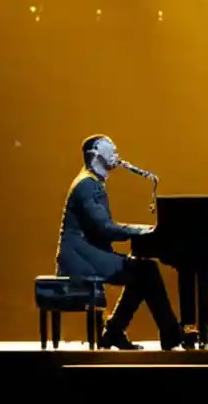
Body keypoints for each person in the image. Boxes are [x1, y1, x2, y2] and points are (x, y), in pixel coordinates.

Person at [55, 134, 183, 350]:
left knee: (142, 271)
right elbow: (104, 228)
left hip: (86, 252)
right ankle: (164, 332)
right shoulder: (87, 185)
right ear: (95, 152)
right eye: (111, 150)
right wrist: (141, 230)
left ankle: (116, 331)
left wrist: (140, 231)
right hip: (80, 257)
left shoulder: (92, 182)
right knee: (145, 271)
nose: (117, 154)